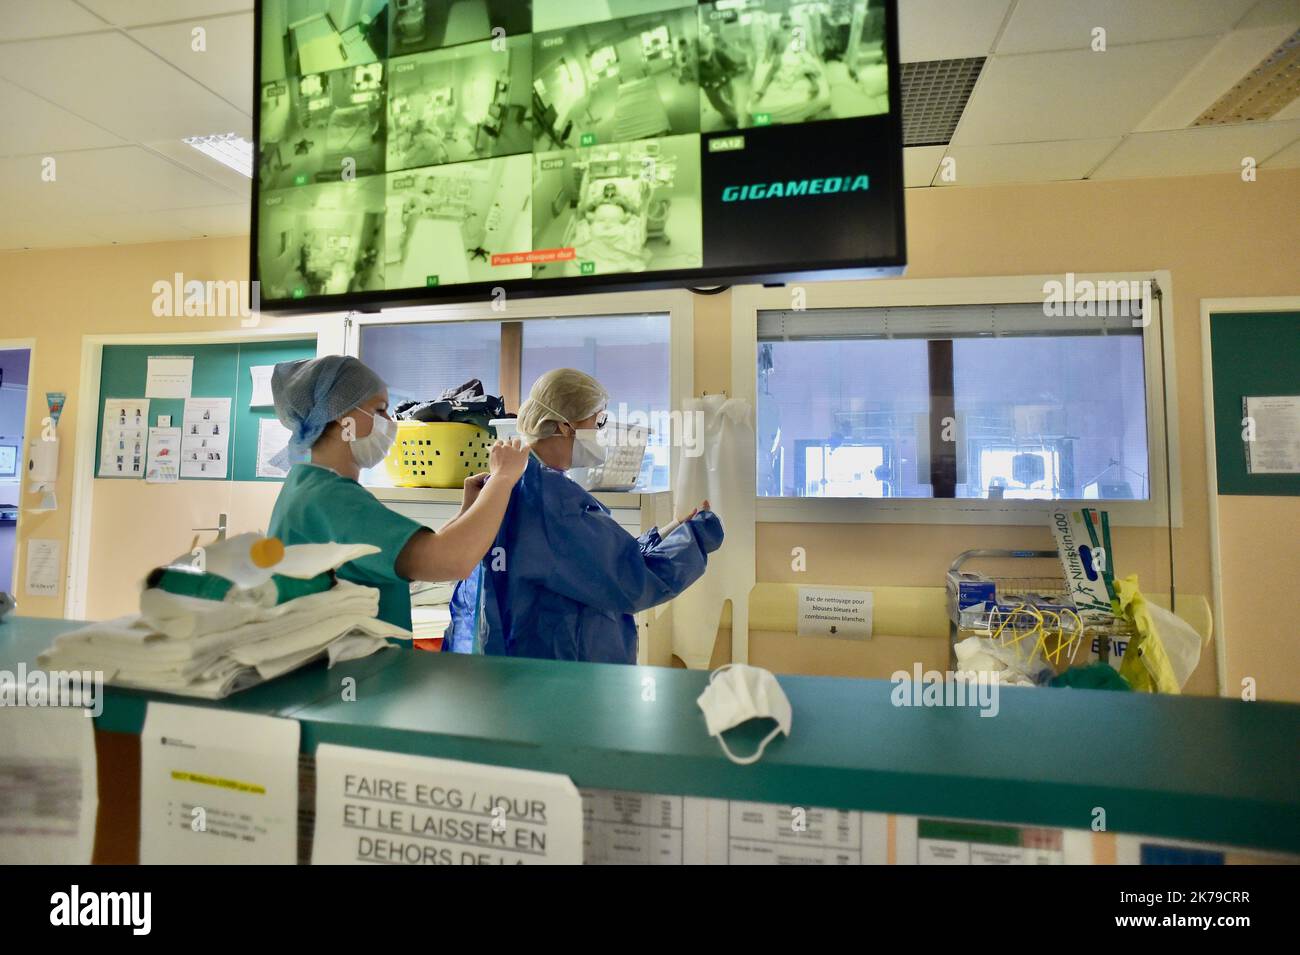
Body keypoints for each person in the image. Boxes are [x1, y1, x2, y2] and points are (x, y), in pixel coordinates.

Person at [445, 368, 723, 663]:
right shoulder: (555, 502)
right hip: (560, 672)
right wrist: (695, 537)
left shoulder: (509, 484)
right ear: (565, 426)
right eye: (597, 420)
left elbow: (596, 559)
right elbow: (632, 581)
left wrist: (671, 530)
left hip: (507, 664)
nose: (601, 430)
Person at [267, 355, 530, 631]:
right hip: (343, 669)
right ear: (340, 415)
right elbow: (450, 560)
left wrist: (470, 509)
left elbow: (420, 557)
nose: (390, 422)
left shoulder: (307, 486)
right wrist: (503, 477)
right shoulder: (330, 499)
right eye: (380, 410)